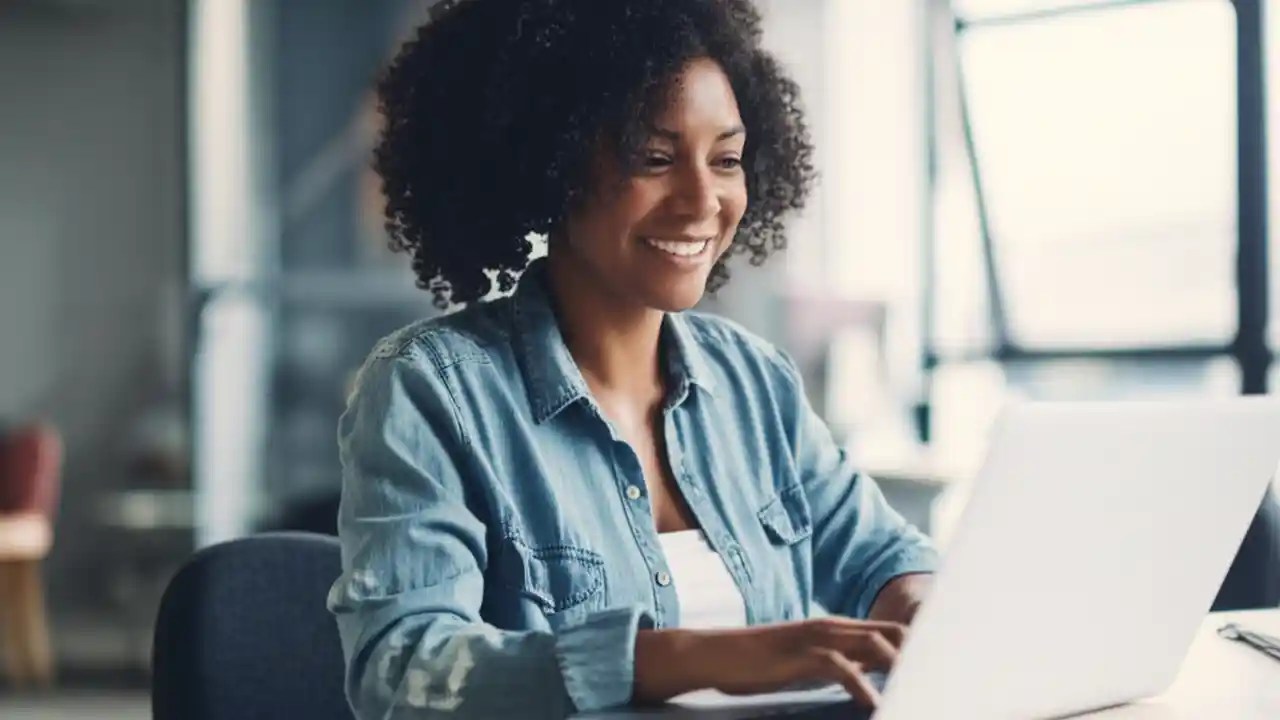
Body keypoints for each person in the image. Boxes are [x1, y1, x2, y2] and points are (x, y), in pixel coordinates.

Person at [326, 1, 938, 717]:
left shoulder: (754, 383)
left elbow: (886, 560)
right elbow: (402, 672)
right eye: (654, 158)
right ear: (549, 164)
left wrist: (925, 608)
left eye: (727, 160)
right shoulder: (432, 392)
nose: (702, 200)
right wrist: (694, 657)